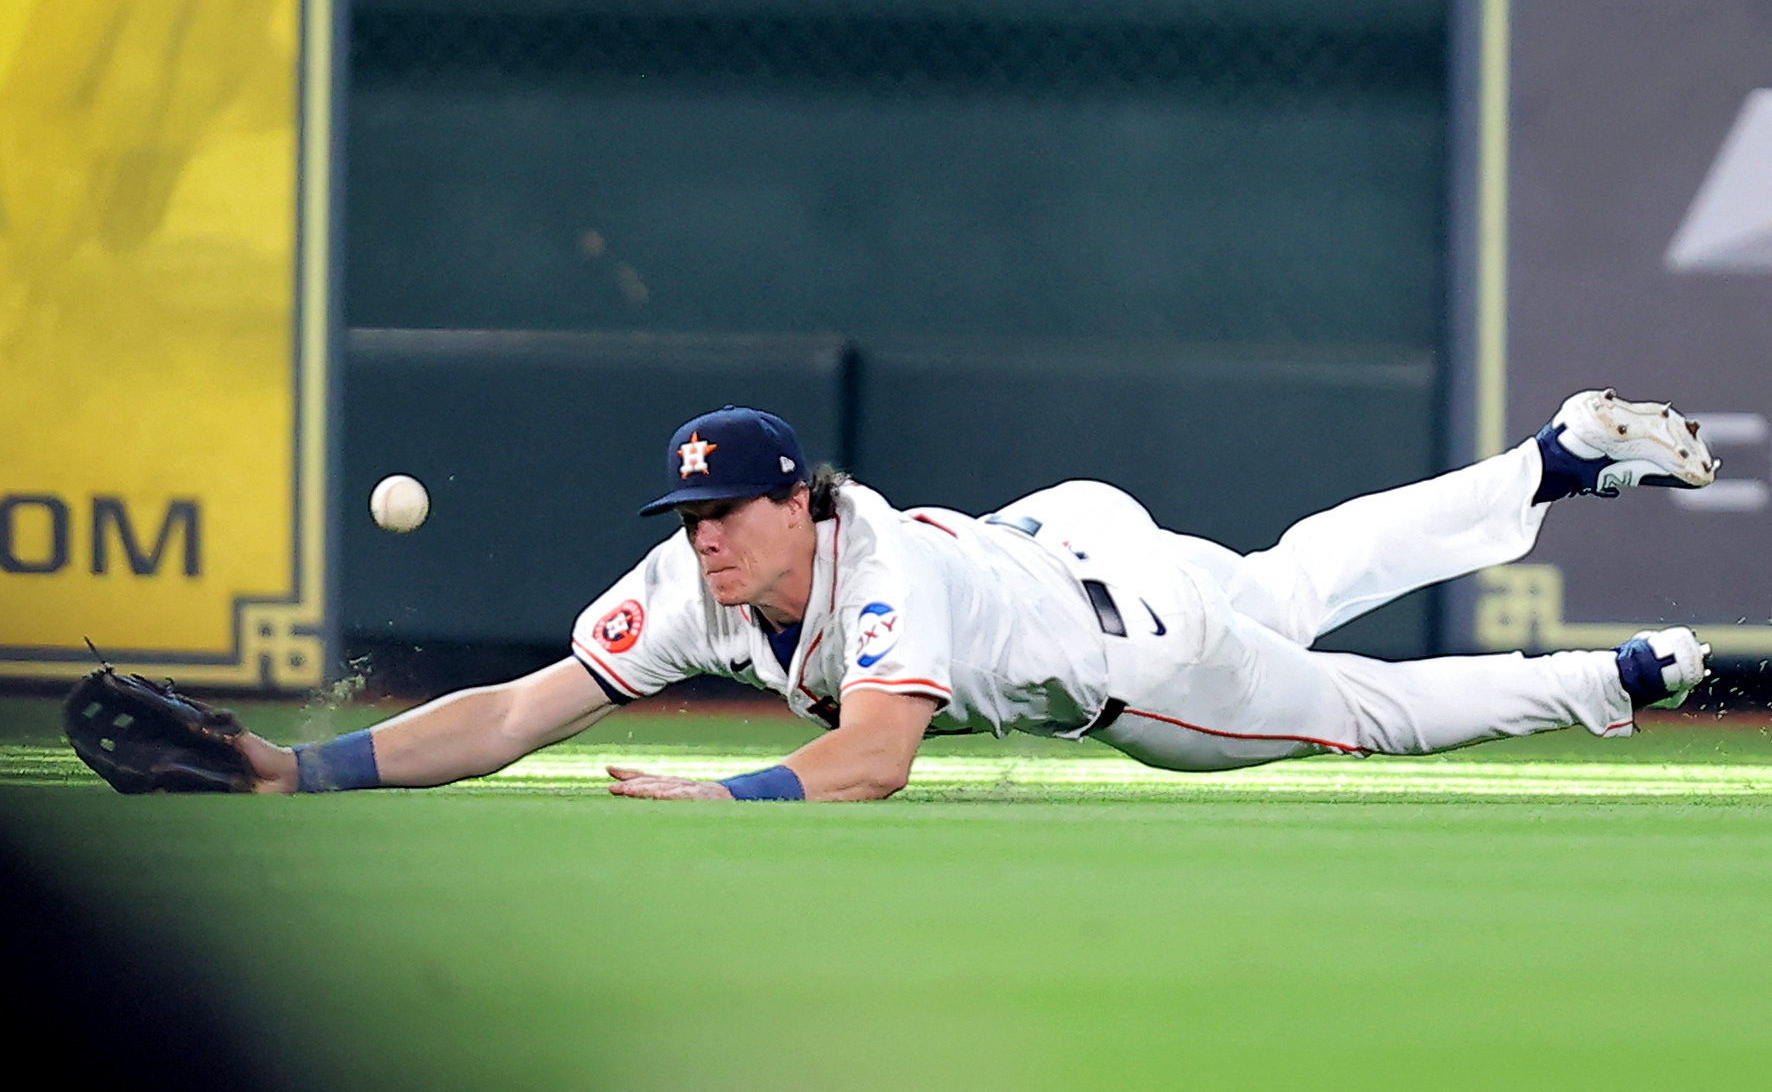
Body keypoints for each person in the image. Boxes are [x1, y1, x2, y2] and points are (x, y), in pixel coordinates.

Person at [241, 389, 1719, 800]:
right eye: (686, 517)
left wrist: (729, 794)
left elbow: (872, 760)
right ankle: (1548, 463)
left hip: (1137, 652)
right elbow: (520, 707)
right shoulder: (704, 577)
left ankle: (1610, 678)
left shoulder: (871, 567)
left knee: (1366, 709)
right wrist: (293, 769)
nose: (702, 541)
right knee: (1297, 572)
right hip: (1075, 533)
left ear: (799, 498)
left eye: (725, 512)